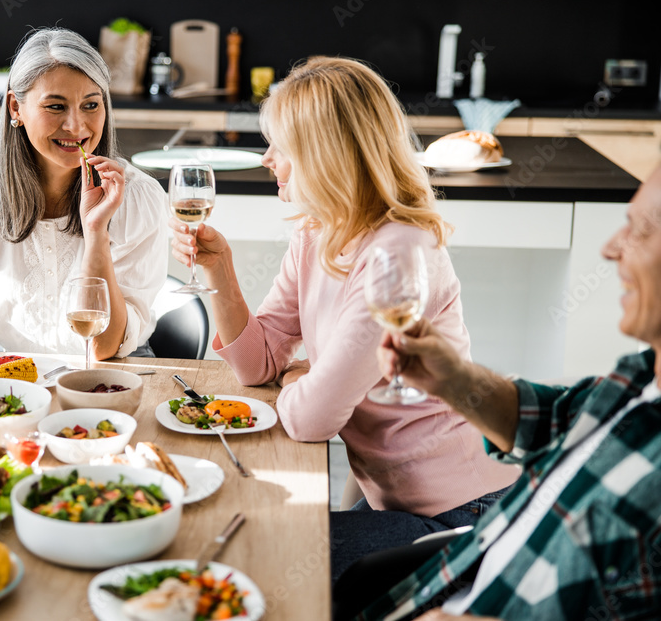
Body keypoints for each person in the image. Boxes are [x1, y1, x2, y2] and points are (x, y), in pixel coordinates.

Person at [168, 56, 519, 579]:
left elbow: (312, 421)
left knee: (259, 556)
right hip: (397, 505)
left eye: (280, 148)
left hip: (458, 518)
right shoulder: (319, 232)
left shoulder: (398, 255)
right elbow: (256, 363)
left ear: (324, 155)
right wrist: (220, 270)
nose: (267, 160)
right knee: (237, 539)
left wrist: (303, 376)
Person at [343, 165, 661, 620]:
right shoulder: (638, 381)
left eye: (639, 231)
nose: (611, 249)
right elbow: (551, 420)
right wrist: (453, 378)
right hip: (454, 583)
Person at [0, 28, 167, 373]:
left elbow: (103, 346)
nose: (76, 125)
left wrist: (96, 230)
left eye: (91, 104)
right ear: (16, 107)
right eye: (56, 106)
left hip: (116, 370)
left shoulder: (138, 196)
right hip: (15, 373)